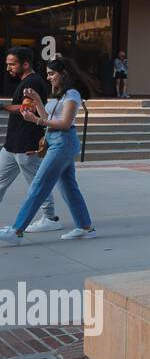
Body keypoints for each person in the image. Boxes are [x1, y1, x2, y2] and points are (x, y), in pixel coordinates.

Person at [0, 55, 96, 246]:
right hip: (56, 142)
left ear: (64, 74)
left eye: (52, 74)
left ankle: (17, 231)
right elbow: (48, 117)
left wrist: (35, 120)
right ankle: (85, 227)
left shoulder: (72, 94)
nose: (49, 78)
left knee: (39, 185)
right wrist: (37, 101)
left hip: (64, 142)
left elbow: (65, 123)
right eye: (48, 74)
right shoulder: (61, 94)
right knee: (69, 188)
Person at [0, 47, 61, 233]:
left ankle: (50, 218)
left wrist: (2, 106)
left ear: (25, 64)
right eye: (7, 64)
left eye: (12, 64)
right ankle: (49, 217)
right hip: (11, 146)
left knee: (37, 185)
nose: (8, 68)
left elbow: (26, 109)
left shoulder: (33, 82)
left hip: (25, 145)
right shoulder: (26, 81)